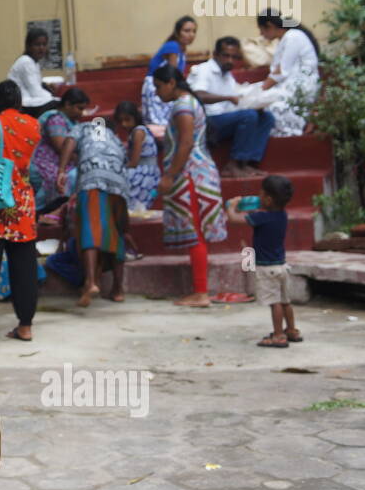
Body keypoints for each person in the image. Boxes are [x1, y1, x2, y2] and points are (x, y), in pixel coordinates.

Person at [153, 64, 227, 307]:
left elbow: (185, 143)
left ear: (171, 83)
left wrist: (169, 176)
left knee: (195, 233)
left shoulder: (182, 106)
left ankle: (201, 292)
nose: (157, 92)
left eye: (159, 86)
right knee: (198, 233)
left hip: (190, 176)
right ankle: (200, 290)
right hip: (197, 173)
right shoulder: (190, 102)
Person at [0, 79, 40, 341]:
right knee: (24, 266)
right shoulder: (33, 125)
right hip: (22, 204)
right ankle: (25, 326)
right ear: (19, 102)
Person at [55, 116, 130, 305]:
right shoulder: (113, 137)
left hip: (92, 178)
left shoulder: (83, 127)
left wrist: (62, 170)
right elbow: (126, 159)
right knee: (115, 233)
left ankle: (90, 282)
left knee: (90, 229)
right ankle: (118, 289)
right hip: (119, 183)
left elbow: (69, 142)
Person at [225, 175, 299, 348]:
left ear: (268, 199)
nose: (258, 196)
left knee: (275, 303)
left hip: (267, 269)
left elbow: (234, 220)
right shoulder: (282, 215)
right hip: (281, 266)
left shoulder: (262, 217)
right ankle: (292, 330)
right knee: (285, 301)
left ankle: (278, 335)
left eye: (261, 193)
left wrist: (233, 207)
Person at [187, 35, 273, 177]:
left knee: (266, 117)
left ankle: (249, 163)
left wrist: (256, 104)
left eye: (234, 57)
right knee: (248, 116)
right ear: (215, 54)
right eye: (226, 56)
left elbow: (235, 102)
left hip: (225, 119)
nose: (230, 60)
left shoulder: (227, 76)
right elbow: (198, 95)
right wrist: (227, 98)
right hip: (206, 122)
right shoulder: (204, 70)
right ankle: (232, 164)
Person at [256, 8, 320, 137]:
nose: (261, 34)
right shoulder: (287, 38)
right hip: (292, 86)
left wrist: (258, 90)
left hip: (301, 88)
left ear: (269, 26)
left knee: (270, 106)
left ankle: (291, 134)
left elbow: (281, 71)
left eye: (261, 30)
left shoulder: (293, 36)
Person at [29, 87, 89, 215]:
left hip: (63, 160)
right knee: (62, 178)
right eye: (79, 108)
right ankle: (45, 212)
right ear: (67, 104)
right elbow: (62, 148)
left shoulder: (71, 121)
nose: (81, 113)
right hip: (45, 161)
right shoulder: (55, 119)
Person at [141, 16, 197, 126]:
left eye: (194, 31)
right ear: (177, 32)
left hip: (168, 85)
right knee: (160, 123)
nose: (191, 35)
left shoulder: (181, 49)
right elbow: (172, 73)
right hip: (157, 86)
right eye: (186, 31)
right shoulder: (173, 46)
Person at [114, 101, 160, 213]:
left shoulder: (138, 132)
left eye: (127, 120)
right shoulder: (140, 130)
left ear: (135, 117)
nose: (124, 124)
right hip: (150, 170)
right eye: (121, 121)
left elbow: (134, 162)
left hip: (144, 173)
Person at [6, 27, 58, 117]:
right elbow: (36, 92)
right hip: (22, 104)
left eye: (44, 44)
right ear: (29, 46)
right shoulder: (26, 62)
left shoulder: (34, 62)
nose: (41, 48)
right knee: (58, 105)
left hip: (29, 101)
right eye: (37, 45)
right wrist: (57, 99)